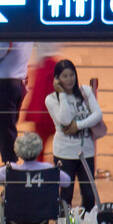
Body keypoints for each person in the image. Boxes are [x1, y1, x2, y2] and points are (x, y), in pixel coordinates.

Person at [44, 59, 102, 210]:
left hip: (86, 152)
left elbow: (97, 115)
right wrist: (62, 94)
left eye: (72, 75)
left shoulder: (86, 92)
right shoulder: (51, 100)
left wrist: (78, 125)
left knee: (89, 194)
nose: (70, 79)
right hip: (64, 153)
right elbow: (65, 119)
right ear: (57, 79)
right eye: (64, 76)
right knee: (66, 195)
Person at [0, 43, 34, 164]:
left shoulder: (8, 32)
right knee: (9, 127)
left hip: (4, 86)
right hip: (19, 84)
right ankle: (11, 164)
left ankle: (10, 166)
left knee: (4, 129)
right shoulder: (28, 32)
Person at [0, 131, 72, 190]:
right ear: (39, 149)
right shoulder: (48, 168)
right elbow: (67, 182)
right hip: (45, 211)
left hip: (17, 211)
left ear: (17, 151)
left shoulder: (10, 169)